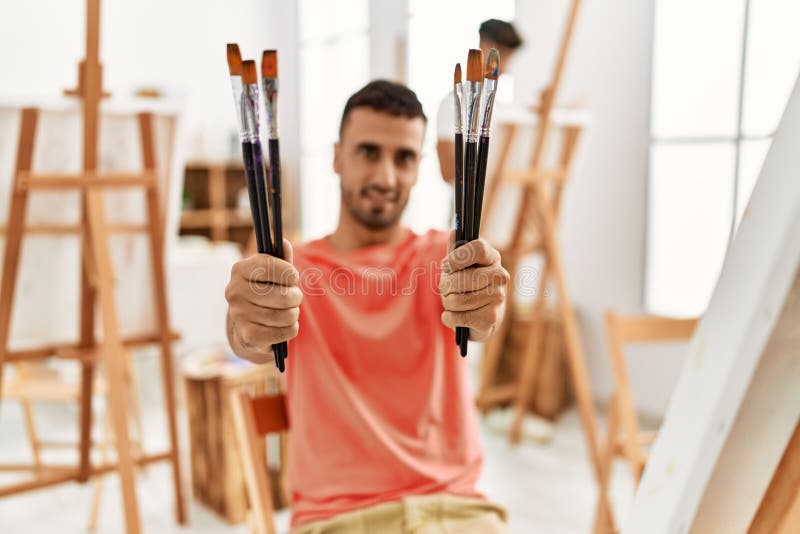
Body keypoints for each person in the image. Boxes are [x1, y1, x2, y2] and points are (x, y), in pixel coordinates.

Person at [225, 80, 510, 533]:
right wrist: (247, 328)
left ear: (420, 167)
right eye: (368, 152)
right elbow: (248, 339)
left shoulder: (447, 257)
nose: (385, 178)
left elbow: (483, 316)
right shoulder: (288, 265)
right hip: (337, 519)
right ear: (337, 156)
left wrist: (487, 308)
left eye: (404, 158)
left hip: (457, 510)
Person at [436, 19, 524, 185]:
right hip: (466, 208)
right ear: (484, 45)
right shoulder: (453, 104)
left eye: (509, 59)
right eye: (503, 56)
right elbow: (448, 171)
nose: (505, 67)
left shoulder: (498, 107)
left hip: (498, 205)